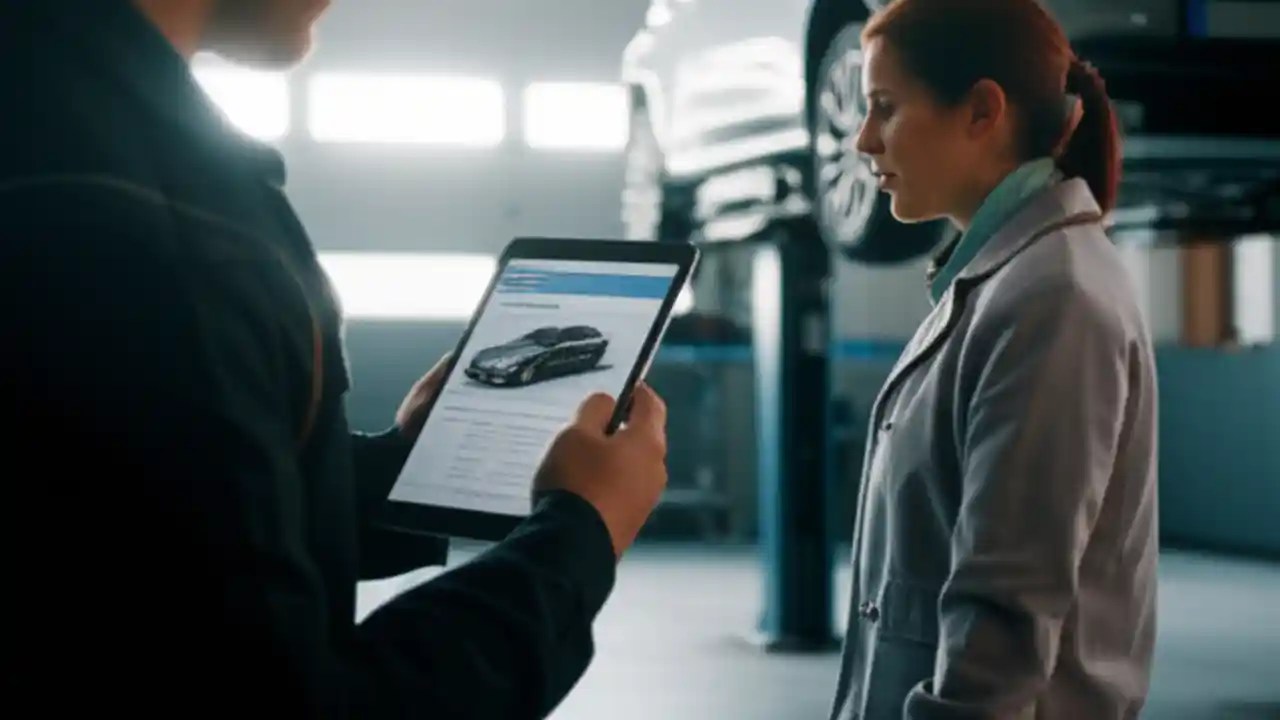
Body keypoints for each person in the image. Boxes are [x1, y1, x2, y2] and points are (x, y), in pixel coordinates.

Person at [0, 1, 670, 717]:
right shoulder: (154, 229)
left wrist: (399, 465)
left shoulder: (50, 128)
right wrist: (580, 535)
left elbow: (137, 527)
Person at [827, 1, 1159, 718]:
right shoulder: (1006, 282)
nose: (862, 141)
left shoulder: (1052, 298)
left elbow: (1003, 616)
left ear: (981, 110)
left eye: (885, 107)